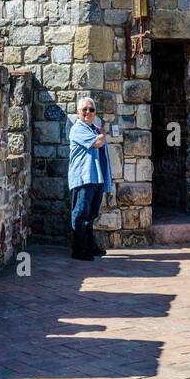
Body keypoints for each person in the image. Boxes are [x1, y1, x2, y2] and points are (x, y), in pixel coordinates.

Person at [68, 95, 113, 261]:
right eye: (84, 109)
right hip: (83, 178)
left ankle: (89, 246)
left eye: (91, 109)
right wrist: (102, 134)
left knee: (91, 215)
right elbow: (97, 143)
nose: (88, 112)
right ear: (78, 112)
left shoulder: (93, 128)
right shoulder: (78, 128)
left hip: (96, 177)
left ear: (95, 112)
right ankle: (79, 250)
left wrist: (100, 133)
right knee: (80, 214)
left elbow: (100, 139)